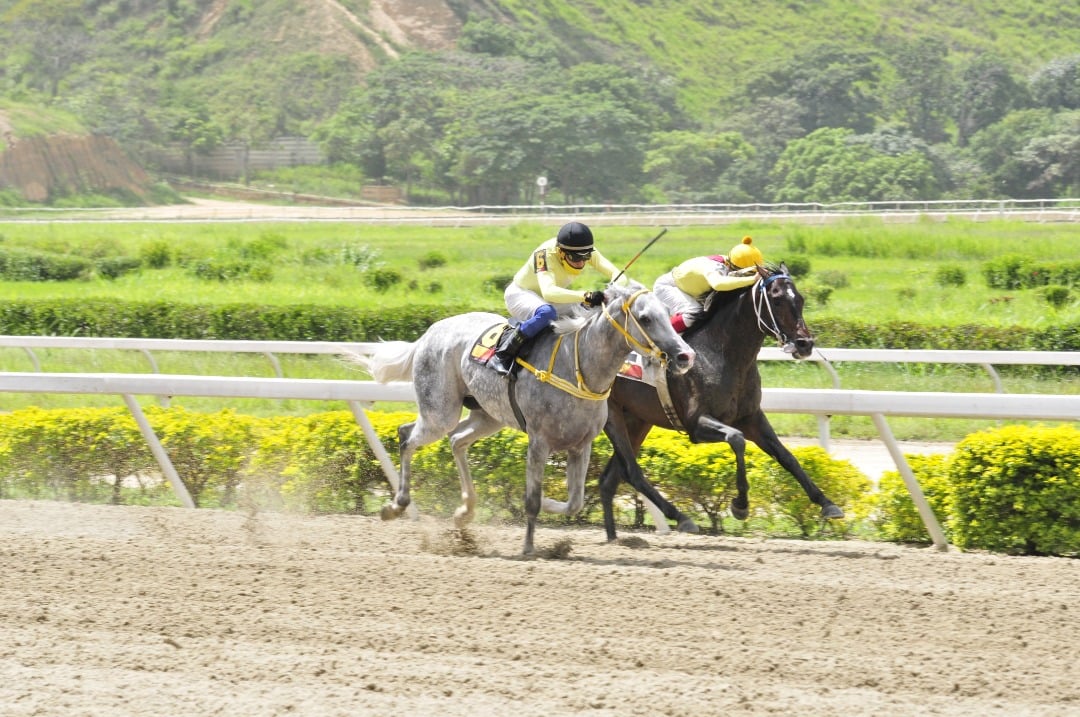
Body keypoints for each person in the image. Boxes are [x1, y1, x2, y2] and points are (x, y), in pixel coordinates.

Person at [490, 221, 630, 375]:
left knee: (591, 308)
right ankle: (503, 354)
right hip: (520, 294)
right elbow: (549, 292)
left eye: (586, 257)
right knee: (547, 313)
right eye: (576, 258)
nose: (582, 262)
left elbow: (618, 275)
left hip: (550, 299)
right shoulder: (544, 254)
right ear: (561, 252)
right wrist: (586, 295)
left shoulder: (583, 249)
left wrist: (612, 291)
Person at [653, 235, 765, 332]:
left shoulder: (730, 263)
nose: (748, 277)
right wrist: (752, 279)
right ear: (734, 267)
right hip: (669, 287)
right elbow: (718, 284)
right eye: (746, 274)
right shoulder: (714, 268)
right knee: (693, 313)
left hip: (688, 291)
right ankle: (657, 338)